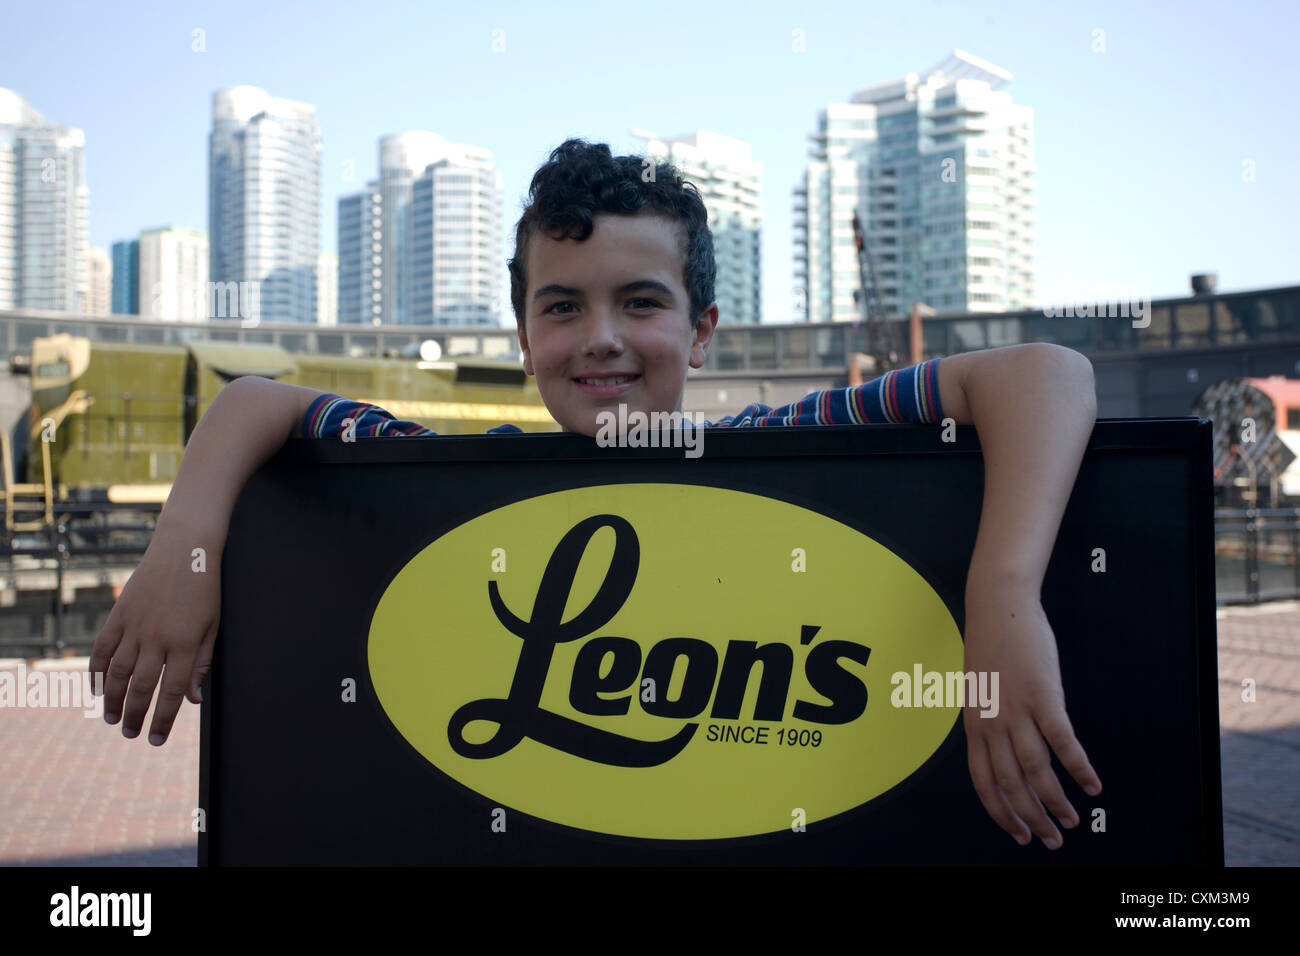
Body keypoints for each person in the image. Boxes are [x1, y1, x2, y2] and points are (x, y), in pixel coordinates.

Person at [91, 138, 1102, 851]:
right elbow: (260, 399)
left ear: (701, 331)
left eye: (641, 302)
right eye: (563, 305)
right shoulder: (451, 482)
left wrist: (1001, 599)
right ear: (525, 337)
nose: (602, 336)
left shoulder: (782, 445)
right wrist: (185, 549)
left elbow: (1045, 372)